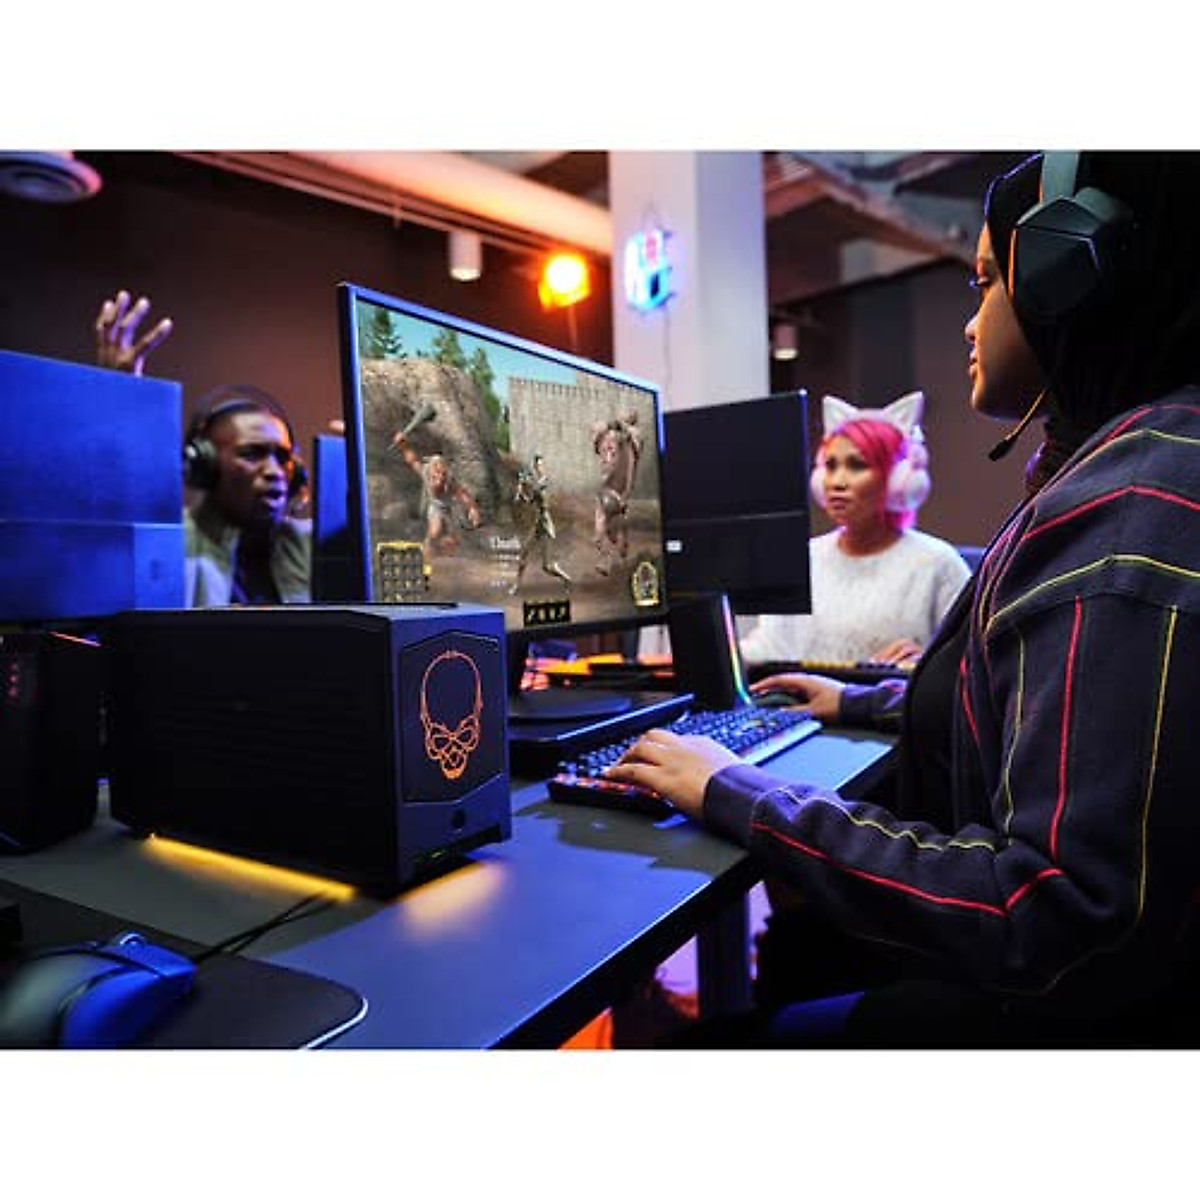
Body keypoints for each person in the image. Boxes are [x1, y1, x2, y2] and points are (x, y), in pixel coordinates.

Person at [607, 151, 1200, 1047]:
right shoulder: (1135, 469)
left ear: (1068, 280)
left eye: (987, 283)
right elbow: (1041, 707)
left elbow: (1049, 914)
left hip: (1054, 1014)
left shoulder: (1122, 522)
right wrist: (859, 700)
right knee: (797, 949)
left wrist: (741, 792)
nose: (971, 321)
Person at [94, 290, 311, 606]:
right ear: (204, 465)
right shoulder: (170, 544)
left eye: (283, 457)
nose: (274, 471)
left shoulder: (308, 546)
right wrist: (119, 399)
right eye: (252, 454)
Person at [739, 391, 971, 670]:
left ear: (898, 479)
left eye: (856, 465)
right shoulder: (800, 559)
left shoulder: (938, 565)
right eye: (830, 466)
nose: (836, 482)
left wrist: (927, 668)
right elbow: (769, 649)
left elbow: (974, 665)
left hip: (884, 700)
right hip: (795, 698)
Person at [509, 454, 571, 594]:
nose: (540, 467)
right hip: (538, 523)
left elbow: (537, 490)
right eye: (537, 465)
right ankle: (516, 585)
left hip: (546, 524)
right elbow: (529, 501)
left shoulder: (544, 481)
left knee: (547, 567)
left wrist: (524, 482)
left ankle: (566, 579)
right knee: (523, 552)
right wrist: (521, 491)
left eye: (541, 465)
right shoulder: (537, 482)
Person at [591, 411, 642, 576]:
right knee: (614, 526)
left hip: (612, 493)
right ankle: (619, 551)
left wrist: (612, 426)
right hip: (620, 496)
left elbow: (621, 433)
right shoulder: (626, 439)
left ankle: (607, 557)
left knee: (602, 525)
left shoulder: (628, 438)